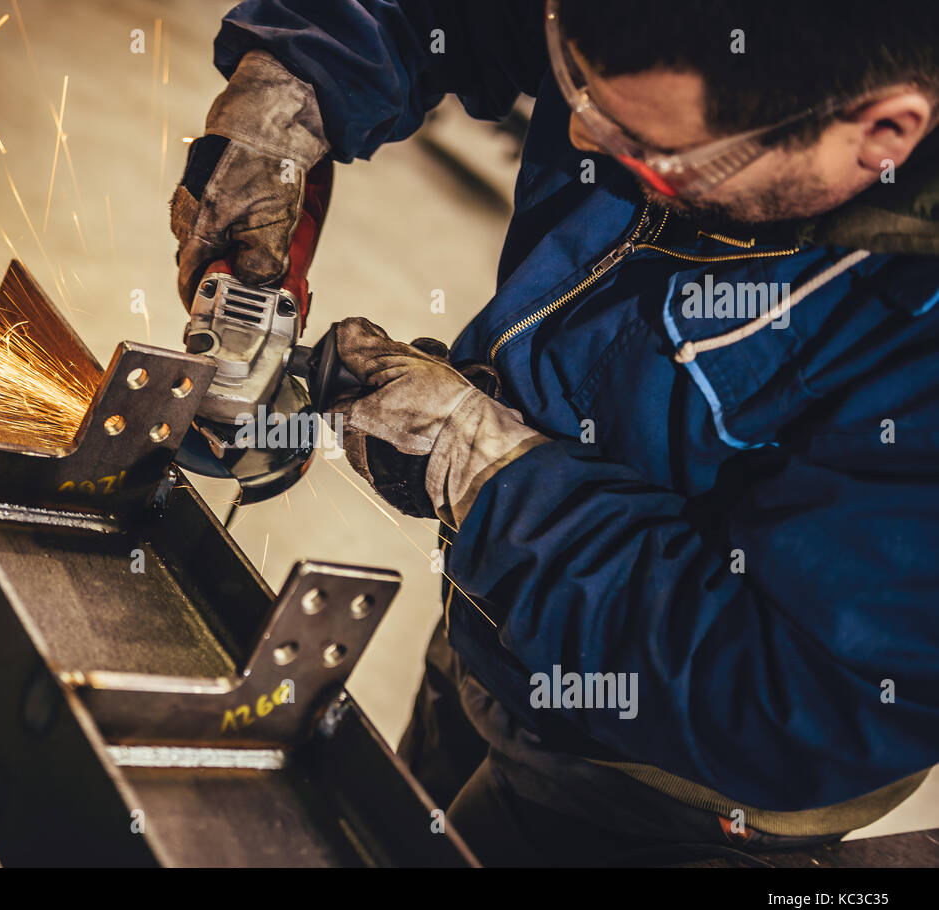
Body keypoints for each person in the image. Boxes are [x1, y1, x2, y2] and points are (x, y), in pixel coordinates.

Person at [170, 0, 939, 865]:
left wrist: (485, 470)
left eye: (649, 152)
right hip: (498, 622)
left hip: (657, 785)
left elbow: (797, 698)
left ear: (880, 134)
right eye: (571, 81)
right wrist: (293, 88)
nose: (575, 135)